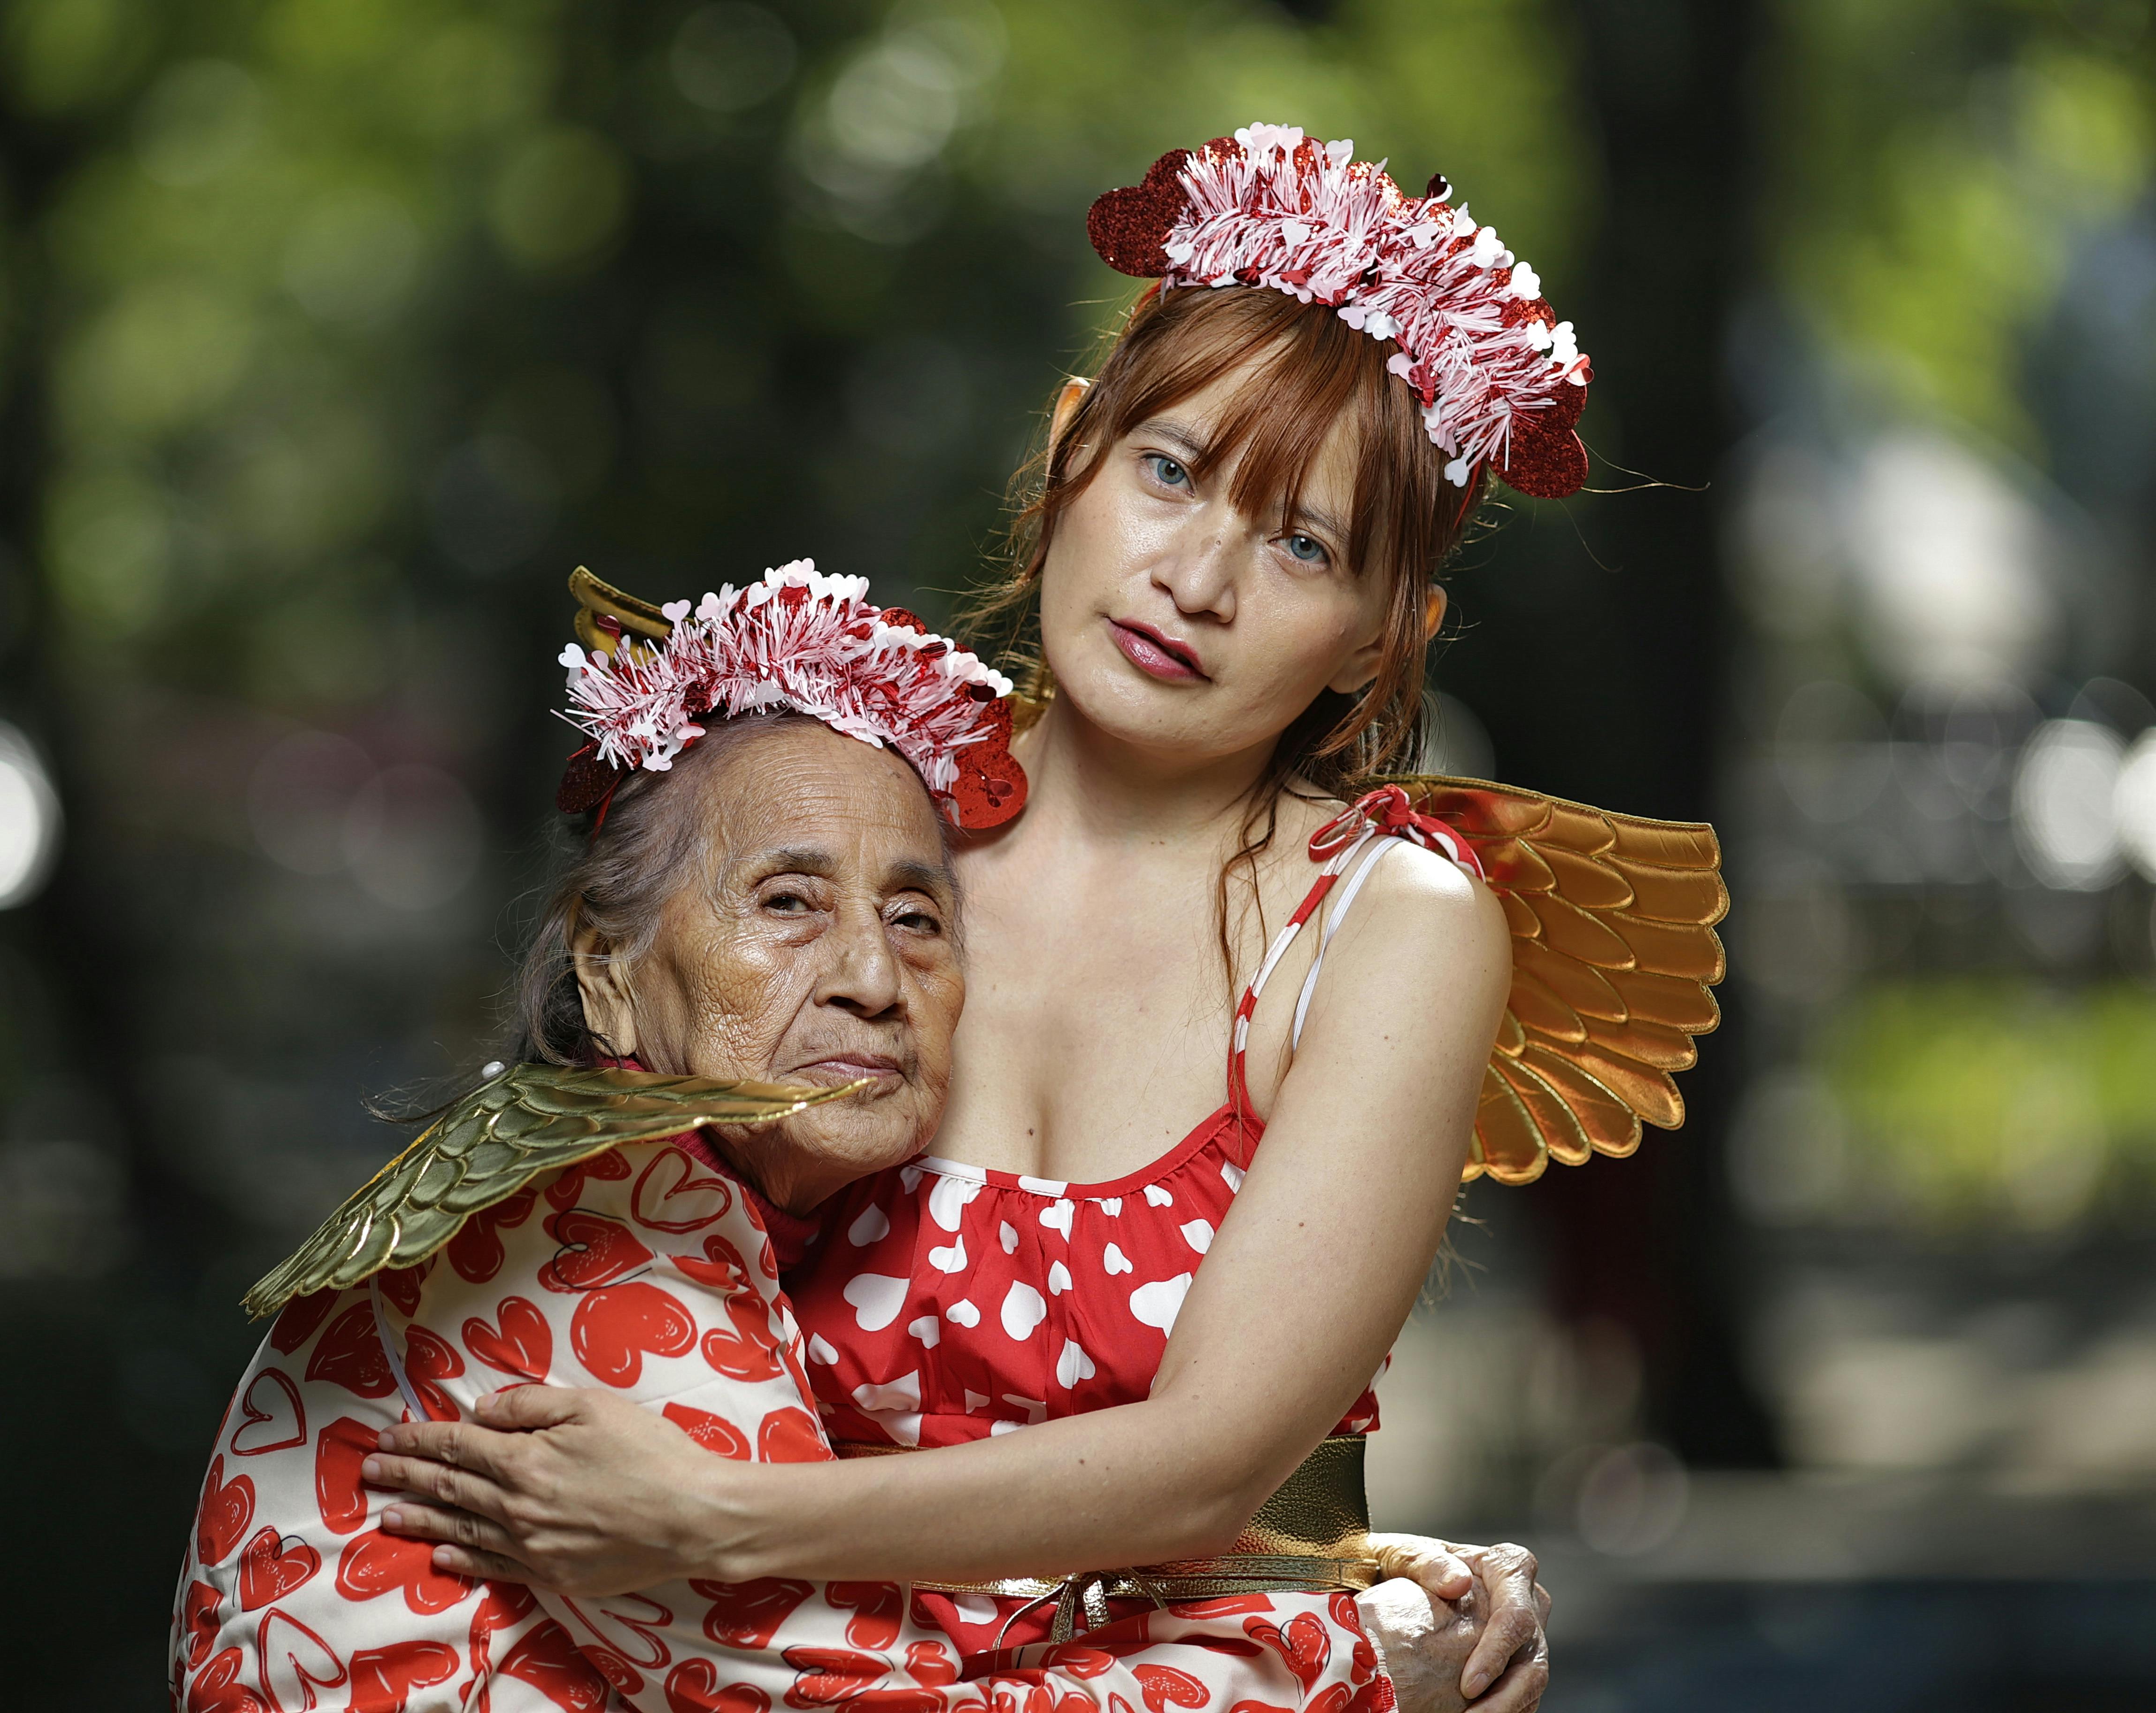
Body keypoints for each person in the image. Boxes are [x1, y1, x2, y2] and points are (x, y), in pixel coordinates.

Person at [364, 123, 1722, 1713]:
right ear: (1073, 446)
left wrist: (711, 1518)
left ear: (1381, 635)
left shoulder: (1389, 924)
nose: (1199, 579)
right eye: (1169, 471)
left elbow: (1208, 1469)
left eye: (1304, 544)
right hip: (752, 1667)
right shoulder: (845, 814)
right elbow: (600, 1258)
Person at [169, 580, 1445, 1712]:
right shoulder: (585, 1246)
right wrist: (1372, 1663)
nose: (871, 978)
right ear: (607, 970)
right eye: (786, 903)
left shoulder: (702, 1208)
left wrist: (1324, 1564)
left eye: (917, 917)